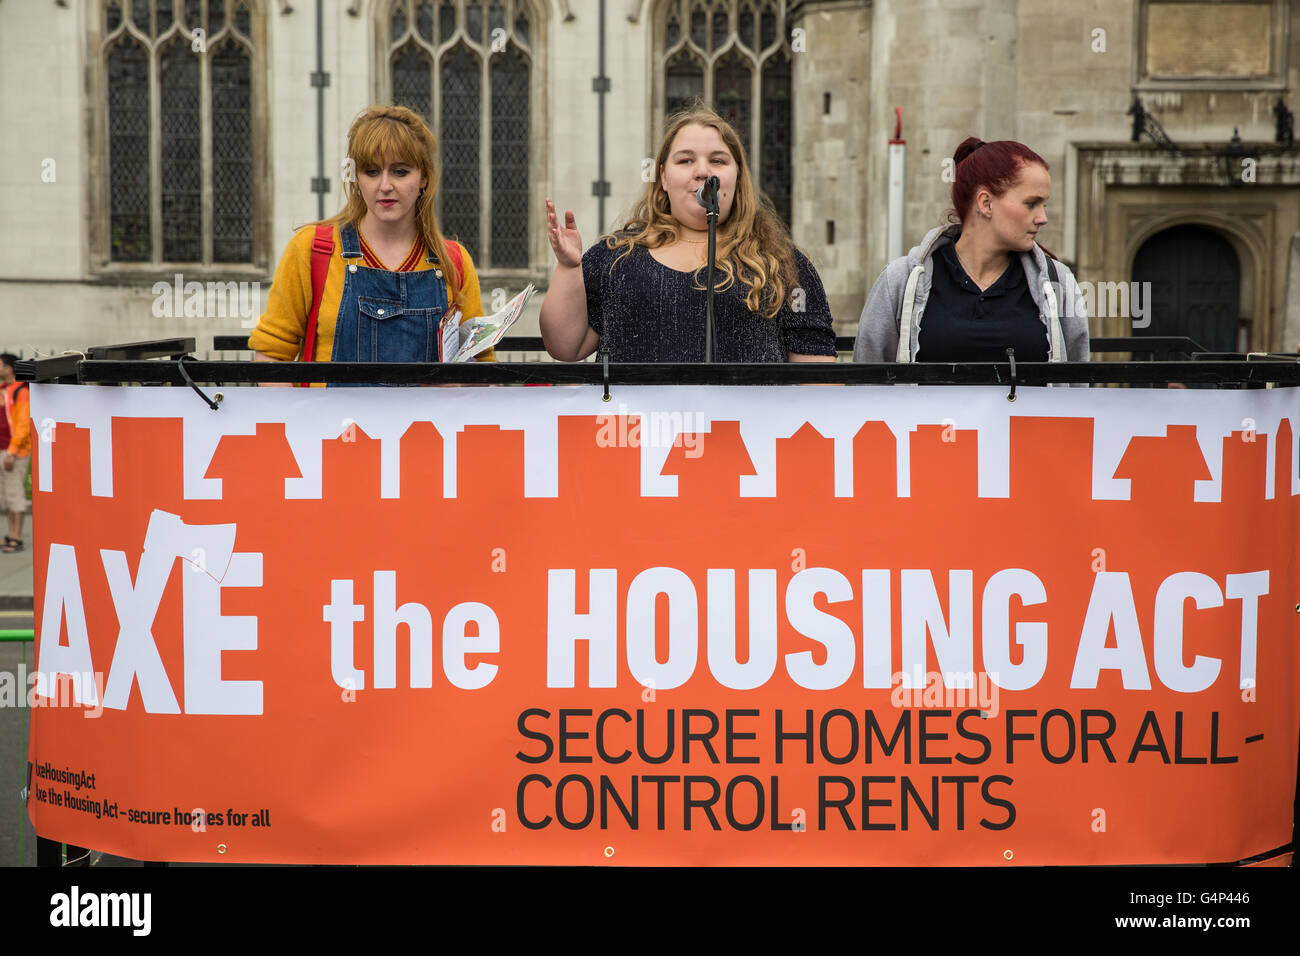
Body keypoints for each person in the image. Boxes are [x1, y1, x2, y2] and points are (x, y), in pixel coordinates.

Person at [540, 105, 837, 363]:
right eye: (685, 160)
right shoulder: (615, 257)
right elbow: (565, 347)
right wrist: (569, 268)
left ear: (737, 177)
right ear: (664, 178)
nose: (702, 171)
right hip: (638, 427)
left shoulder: (783, 263)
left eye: (718, 161)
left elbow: (816, 378)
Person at [250, 105, 491, 382]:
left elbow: (480, 365)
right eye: (372, 171)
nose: (385, 185)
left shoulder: (455, 262)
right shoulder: (313, 249)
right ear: (356, 177)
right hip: (330, 426)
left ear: (424, 177)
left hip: (424, 427)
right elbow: (272, 355)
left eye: (400, 172)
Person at [854, 137, 1089, 364]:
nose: (1042, 218)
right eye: (1031, 204)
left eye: (1043, 204)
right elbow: (868, 385)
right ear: (986, 203)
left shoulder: (1059, 283)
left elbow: (1075, 388)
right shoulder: (900, 280)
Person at [0, 354, 31, 554]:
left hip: (14, 451)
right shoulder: (6, 390)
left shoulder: (21, 391)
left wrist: (12, 452)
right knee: (7, 496)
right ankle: (11, 533)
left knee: (15, 494)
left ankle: (17, 536)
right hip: (4, 449)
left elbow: (22, 425)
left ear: (9, 368)